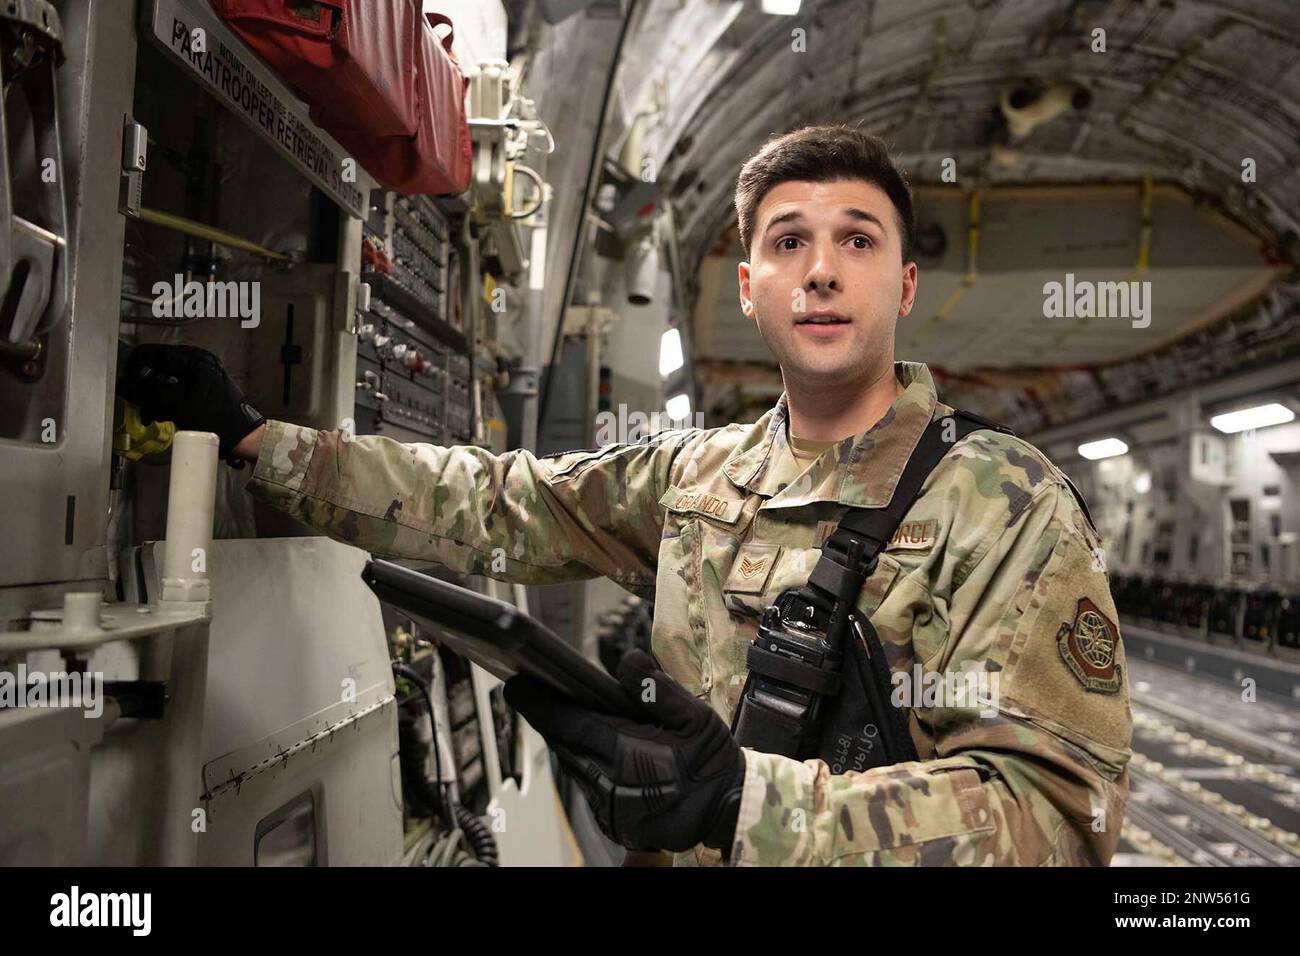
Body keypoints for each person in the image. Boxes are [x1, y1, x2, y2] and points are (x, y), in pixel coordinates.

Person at [117, 124, 1131, 866]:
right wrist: (259, 439)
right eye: (787, 242)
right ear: (747, 285)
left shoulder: (1003, 502)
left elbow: (1055, 819)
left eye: (858, 240)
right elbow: (490, 501)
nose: (821, 270)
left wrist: (744, 801)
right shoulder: (694, 473)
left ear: (905, 284)